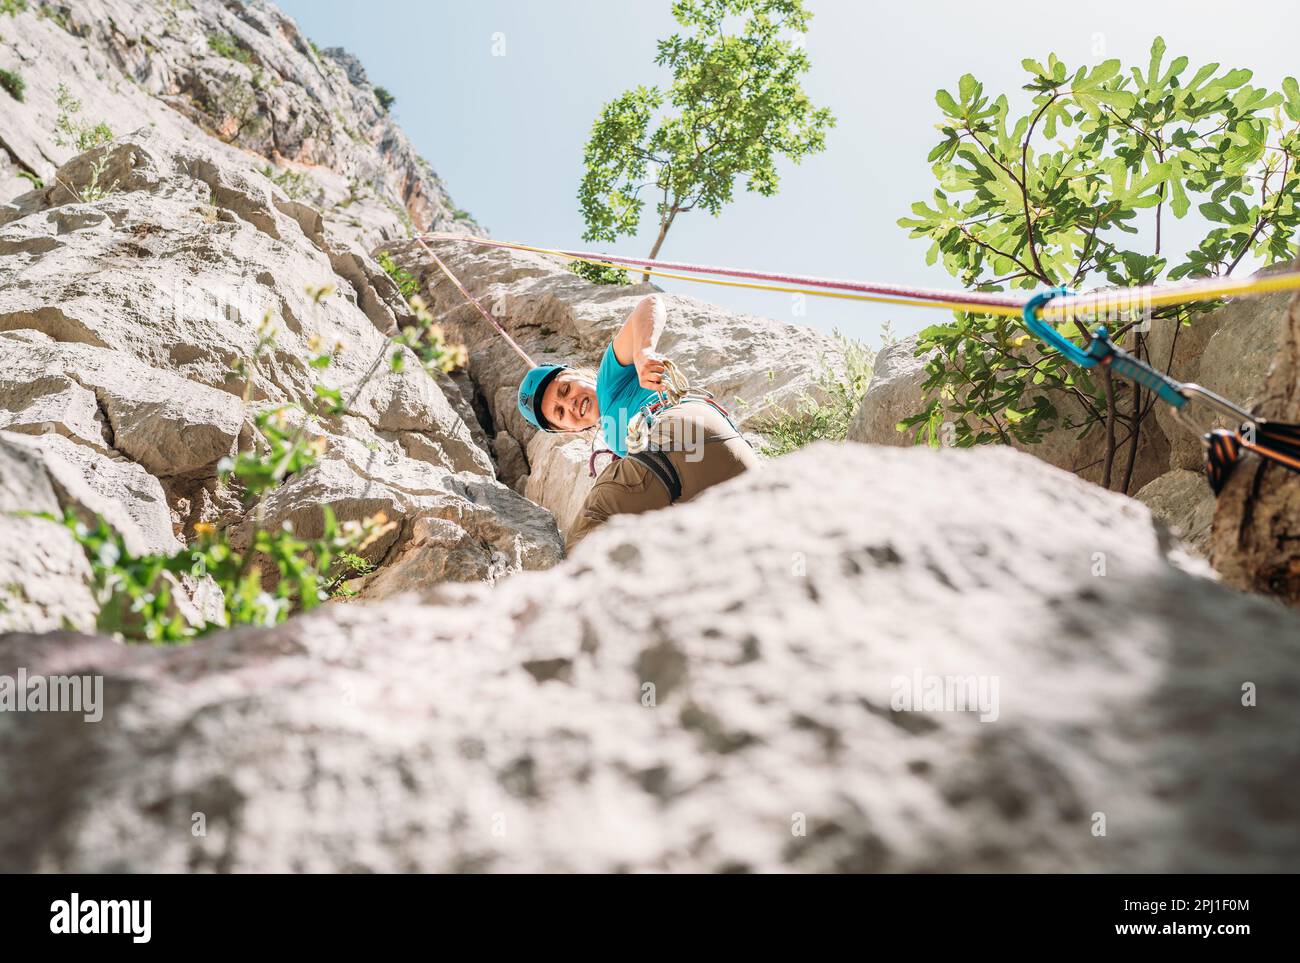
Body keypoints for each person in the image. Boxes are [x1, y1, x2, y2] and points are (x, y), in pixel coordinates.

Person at [516, 293, 760, 549]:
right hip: (728, 458)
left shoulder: (608, 382)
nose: (571, 404)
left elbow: (651, 303)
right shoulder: (617, 442)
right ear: (568, 429)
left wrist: (643, 352)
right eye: (561, 413)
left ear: (577, 374)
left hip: (677, 433)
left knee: (586, 539)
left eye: (565, 390)